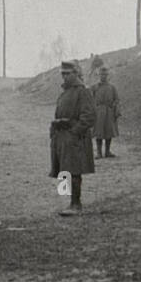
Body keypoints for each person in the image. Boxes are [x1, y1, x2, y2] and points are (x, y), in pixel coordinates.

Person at [49, 60, 95, 214]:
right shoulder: (66, 92)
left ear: (76, 73)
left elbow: (89, 117)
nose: (65, 77)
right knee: (65, 170)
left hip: (74, 137)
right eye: (63, 73)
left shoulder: (82, 91)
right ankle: (71, 202)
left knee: (74, 170)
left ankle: (76, 204)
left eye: (68, 73)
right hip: (63, 136)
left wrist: (74, 132)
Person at [91, 66, 121, 159]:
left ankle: (107, 151)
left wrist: (115, 106)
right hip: (98, 112)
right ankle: (99, 153)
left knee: (109, 132)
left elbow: (117, 99)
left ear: (108, 76)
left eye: (105, 75)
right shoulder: (94, 87)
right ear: (99, 75)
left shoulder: (112, 87)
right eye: (101, 74)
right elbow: (90, 99)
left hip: (109, 112)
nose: (103, 76)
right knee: (98, 132)